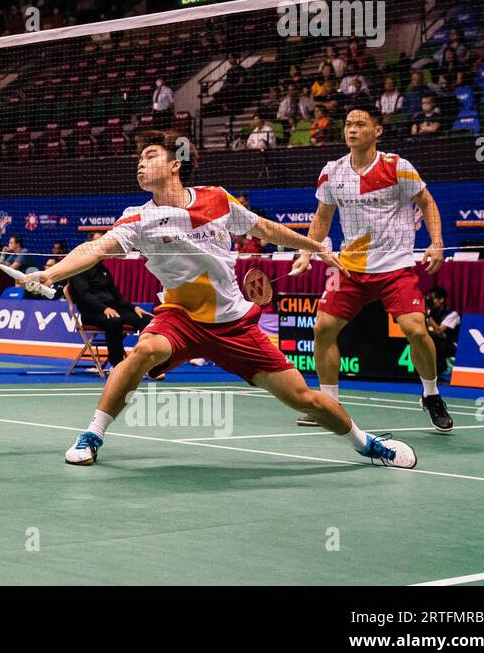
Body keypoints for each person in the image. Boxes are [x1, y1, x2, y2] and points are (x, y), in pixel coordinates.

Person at [28, 131, 416, 470]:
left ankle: (367, 444)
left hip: (234, 324)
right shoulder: (138, 218)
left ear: (176, 163)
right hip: (179, 317)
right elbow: (93, 249)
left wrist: (313, 245)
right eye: (139, 159)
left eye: (150, 156)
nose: (140, 165)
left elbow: (264, 228)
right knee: (144, 349)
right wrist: (49, 273)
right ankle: (92, 435)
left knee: (304, 398)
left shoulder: (215, 200)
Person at [291, 106, 452, 431]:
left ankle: (431, 394)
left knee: (416, 330)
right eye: (348, 124)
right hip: (350, 266)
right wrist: (306, 253)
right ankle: (328, 404)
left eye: (360, 124)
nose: (352, 129)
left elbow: (427, 203)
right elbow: (322, 217)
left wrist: (436, 243)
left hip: (395, 266)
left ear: (377, 130)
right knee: (323, 328)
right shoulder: (332, 172)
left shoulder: (397, 168)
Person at [67, 251, 151, 369]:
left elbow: (117, 296)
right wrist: (104, 308)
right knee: (115, 321)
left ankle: (146, 364)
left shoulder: (102, 269)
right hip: (91, 312)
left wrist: (134, 307)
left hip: (113, 309)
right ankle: (117, 365)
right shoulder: (78, 270)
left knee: (146, 319)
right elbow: (84, 296)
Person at [425, 288, 460, 365]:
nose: (431, 302)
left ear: (441, 300)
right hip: (439, 341)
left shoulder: (452, 314)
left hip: (452, 345)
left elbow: (439, 330)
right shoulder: (430, 312)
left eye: (433, 299)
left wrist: (427, 316)